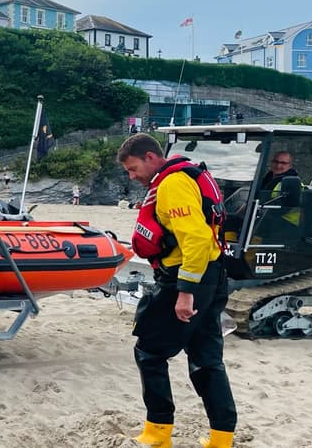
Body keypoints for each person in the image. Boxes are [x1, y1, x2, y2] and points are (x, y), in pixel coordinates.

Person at [117, 133, 236, 448]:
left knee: (149, 352)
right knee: (206, 359)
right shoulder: (186, 177)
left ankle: (157, 432)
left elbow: (196, 238)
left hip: (185, 279)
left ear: (150, 158)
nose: (132, 177)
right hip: (212, 274)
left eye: (133, 169)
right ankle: (221, 438)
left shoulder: (172, 184)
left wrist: (185, 292)